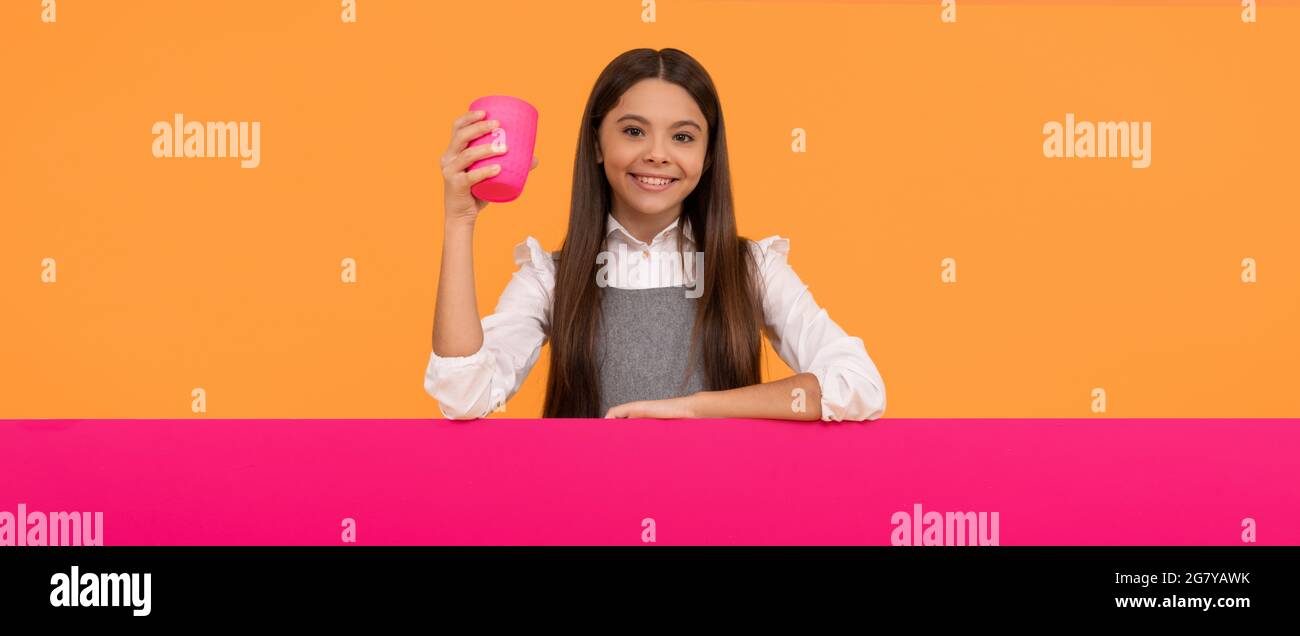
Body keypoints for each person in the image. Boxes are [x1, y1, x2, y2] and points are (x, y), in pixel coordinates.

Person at [426, 48, 885, 421]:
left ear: (707, 157)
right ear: (596, 146)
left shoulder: (751, 268)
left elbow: (858, 384)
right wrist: (460, 220)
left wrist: (697, 408)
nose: (658, 154)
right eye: (633, 131)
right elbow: (465, 395)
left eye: (683, 137)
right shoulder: (551, 277)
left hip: (719, 520)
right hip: (589, 518)